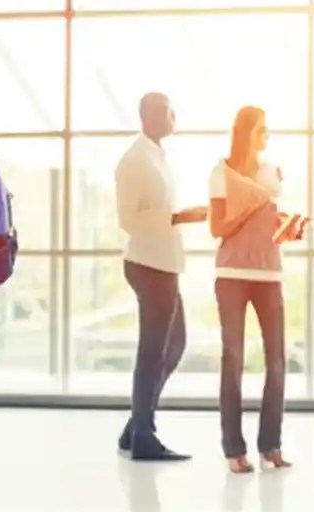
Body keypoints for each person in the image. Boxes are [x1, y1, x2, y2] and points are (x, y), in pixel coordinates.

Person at [114, 92, 207, 462]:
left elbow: (159, 211)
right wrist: (179, 218)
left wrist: (179, 216)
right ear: (150, 115)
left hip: (164, 263)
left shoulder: (154, 156)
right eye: (169, 111)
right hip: (148, 264)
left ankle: (137, 425)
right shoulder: (134, 161)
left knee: (175, 344)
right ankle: (143, 433)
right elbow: (129, 219)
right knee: (154, 351)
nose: (174, 116)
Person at [208, 106, 301, 474]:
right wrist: (250, 208)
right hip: (231, 273)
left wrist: (288, 229)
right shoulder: (222, 173)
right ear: (246, 131)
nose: (266, 136)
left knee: (277, 361)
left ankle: (271, 445)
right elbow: (218, 227)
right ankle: (234, 449)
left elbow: (271, 221)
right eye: (262, 129)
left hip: (270, 274)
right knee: (233, 359)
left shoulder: (270, 172)